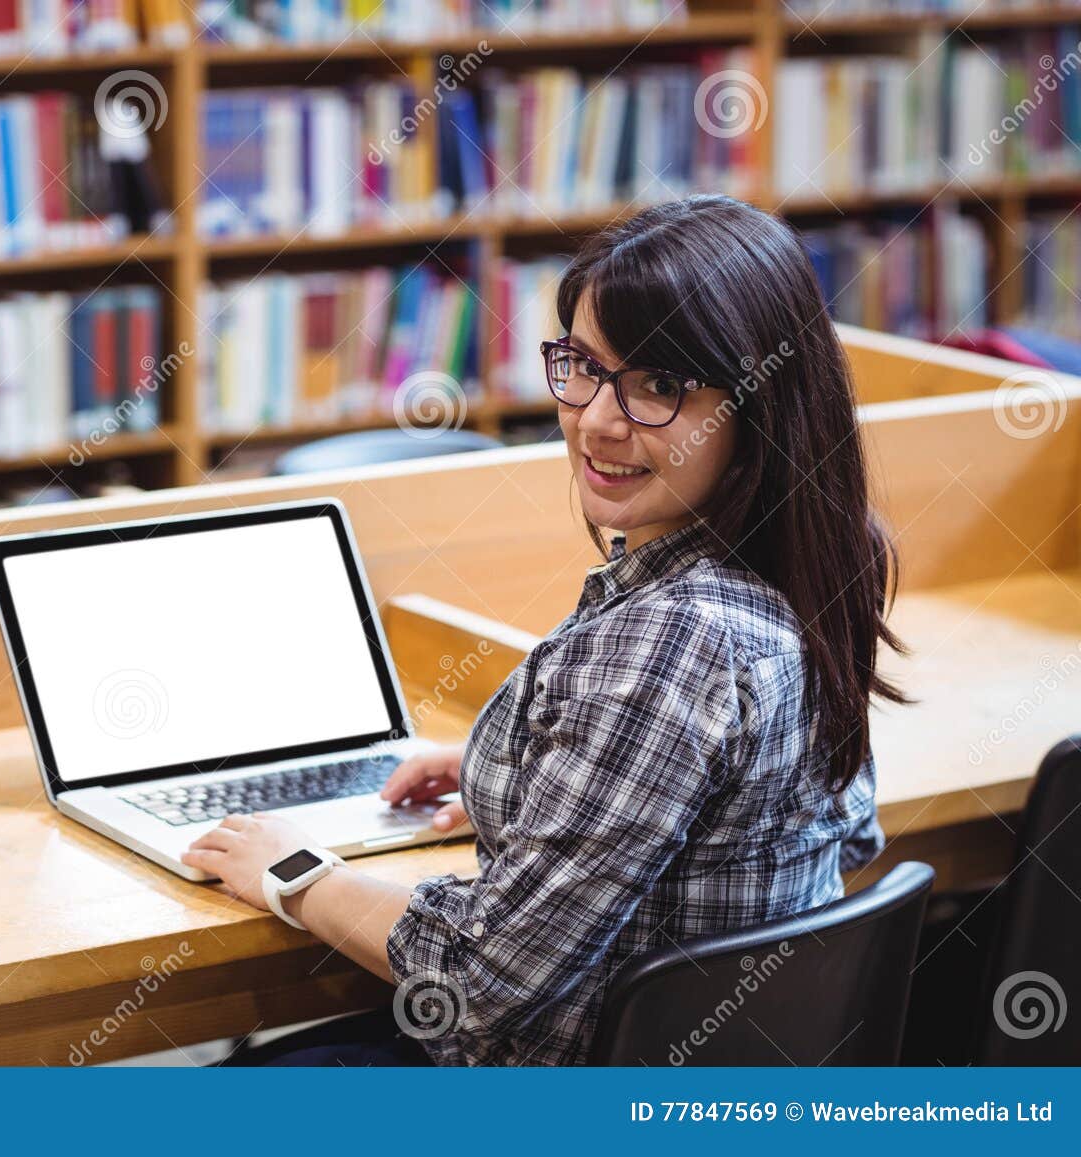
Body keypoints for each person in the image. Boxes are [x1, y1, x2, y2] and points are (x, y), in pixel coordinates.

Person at [183, 194, 904, 1066]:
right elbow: (848, 829)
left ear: (758, 405)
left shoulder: (672, 643)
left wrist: (293, 869)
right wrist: (540, 778)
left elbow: (480, 980)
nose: (599, 418)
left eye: (661, 386)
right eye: (586, 367)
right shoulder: (806, 569)